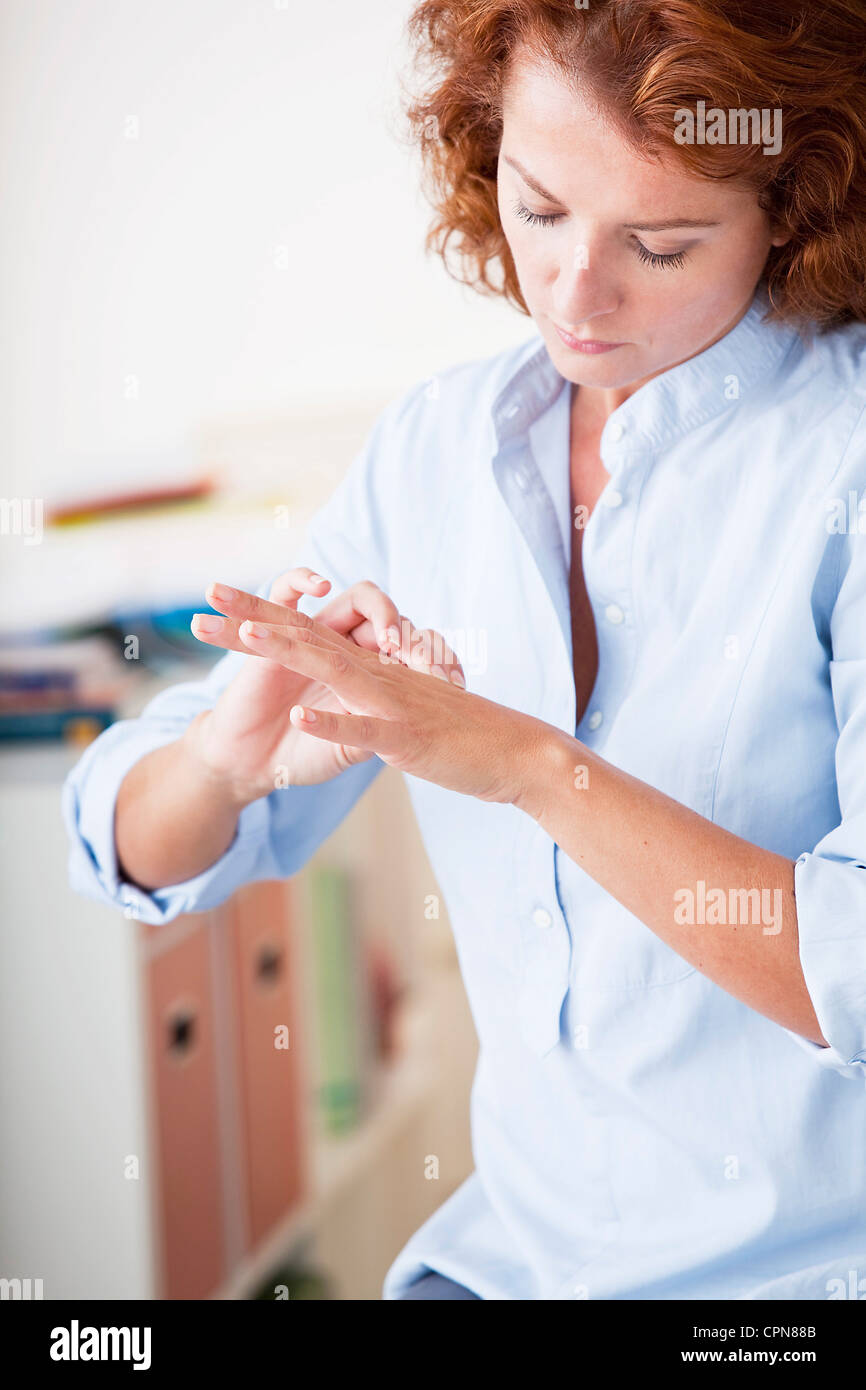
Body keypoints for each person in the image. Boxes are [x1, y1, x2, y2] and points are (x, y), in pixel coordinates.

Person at [63, 0, 866, 1300]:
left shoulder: (842, 461)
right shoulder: (441, 451)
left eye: (658, 242)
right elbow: (138, 848)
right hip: (510, 1266)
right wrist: (228, 757)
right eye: (537, 206)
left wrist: (528, 765)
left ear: (793, 205)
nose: (573, 292)